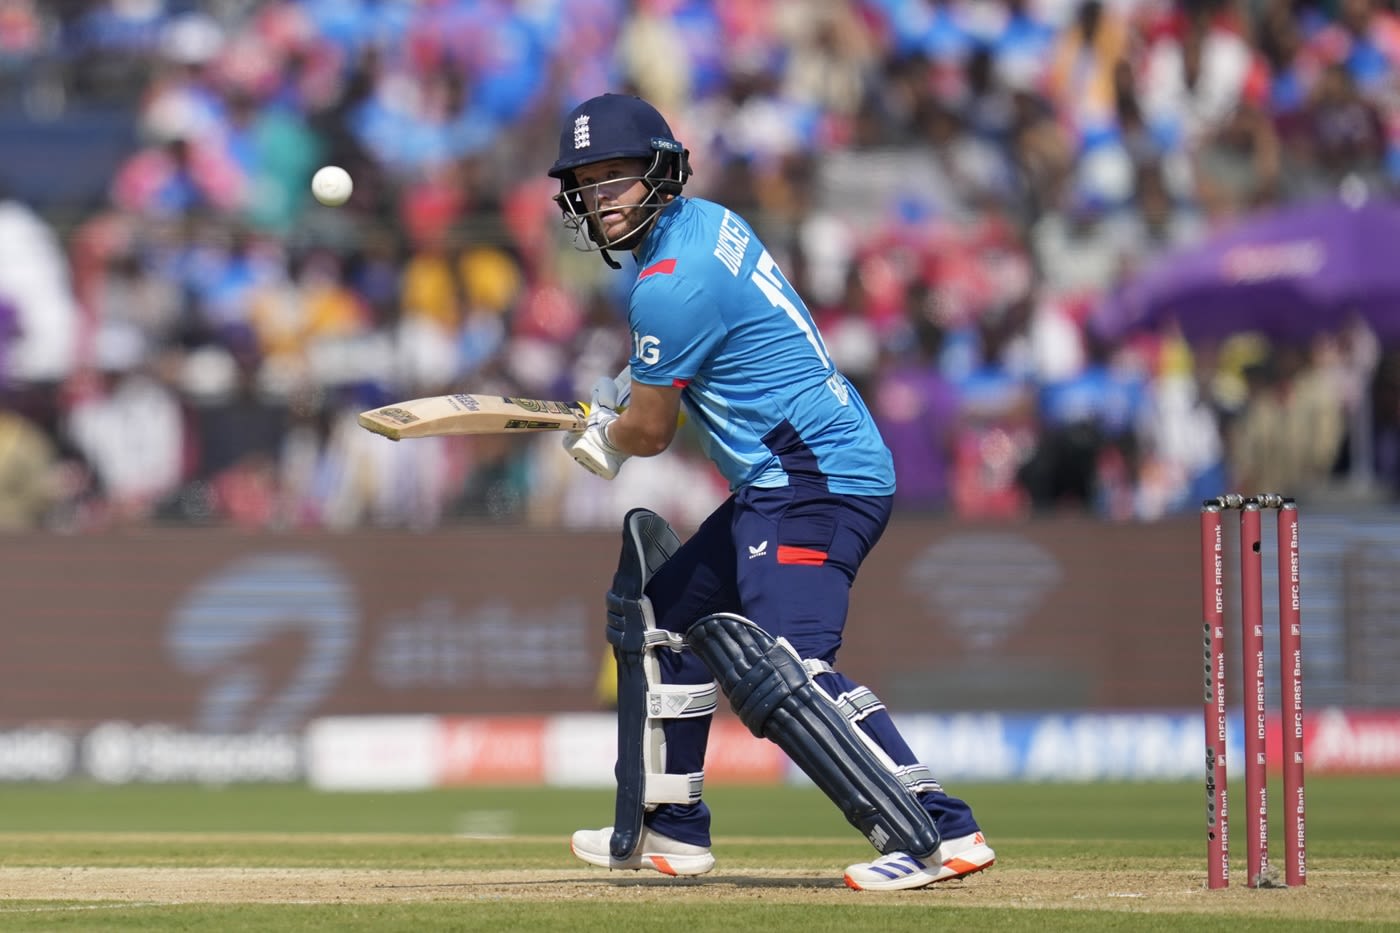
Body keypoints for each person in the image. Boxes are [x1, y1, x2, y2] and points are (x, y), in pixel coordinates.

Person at [548, 92, 993, 892]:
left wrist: (606, 440)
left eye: (615, 176)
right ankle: (674, 830)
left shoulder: (668, 282)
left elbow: (650, 430)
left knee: (792, 664)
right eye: (586, 182)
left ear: (660, 170)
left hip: (814, 480)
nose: (600, 196)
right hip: (789, 476)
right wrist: (616, 398)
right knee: (665, 618)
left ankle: (941, 831)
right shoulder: (705, 224)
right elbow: (676, 363)